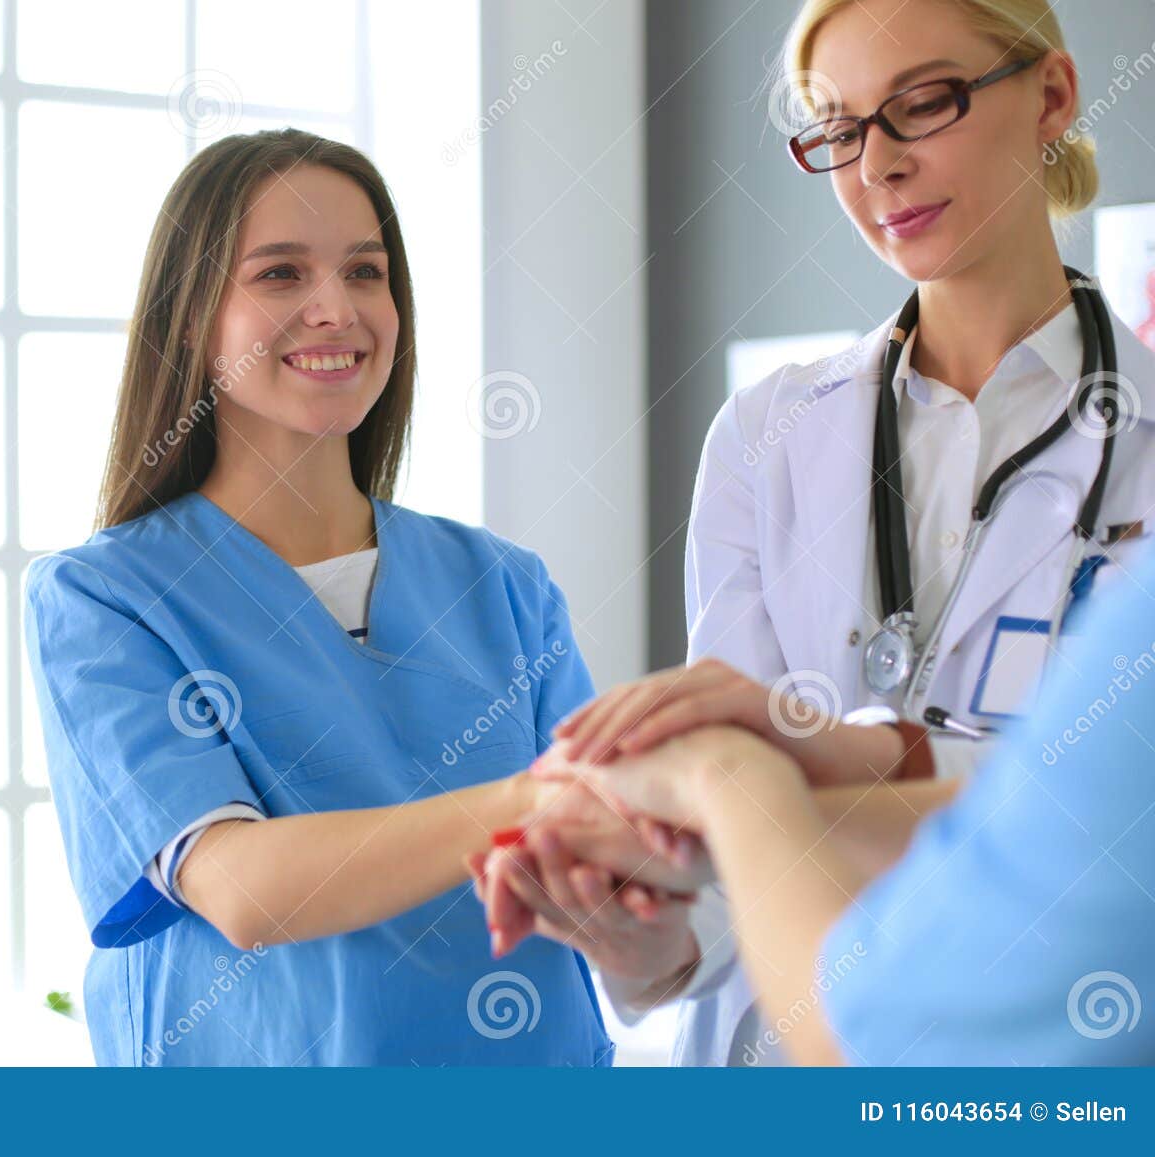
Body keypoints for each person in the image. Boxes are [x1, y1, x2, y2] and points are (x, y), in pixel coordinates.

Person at [476, 0, 1155, 1066]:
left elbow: (1110, 807)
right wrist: (636, 935)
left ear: (1053, 97)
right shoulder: (767, 433)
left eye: (922, 103)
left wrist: (838, 760)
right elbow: (715, 839)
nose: (877, 166)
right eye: (839, 129)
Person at [24, 129, 694, 1066]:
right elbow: (244, 892)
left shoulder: (505, 586)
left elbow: (635, 945)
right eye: (280, 275)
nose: (335, 309)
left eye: (366, 272)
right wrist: (531, 802)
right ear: (189, 319)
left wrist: (644, 930)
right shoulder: (105, 599)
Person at [524, 534, 1155, 1065]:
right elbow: (1058, 820)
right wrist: (669, 890)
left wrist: (732, 781)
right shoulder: (769, 428)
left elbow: (874, 1028)